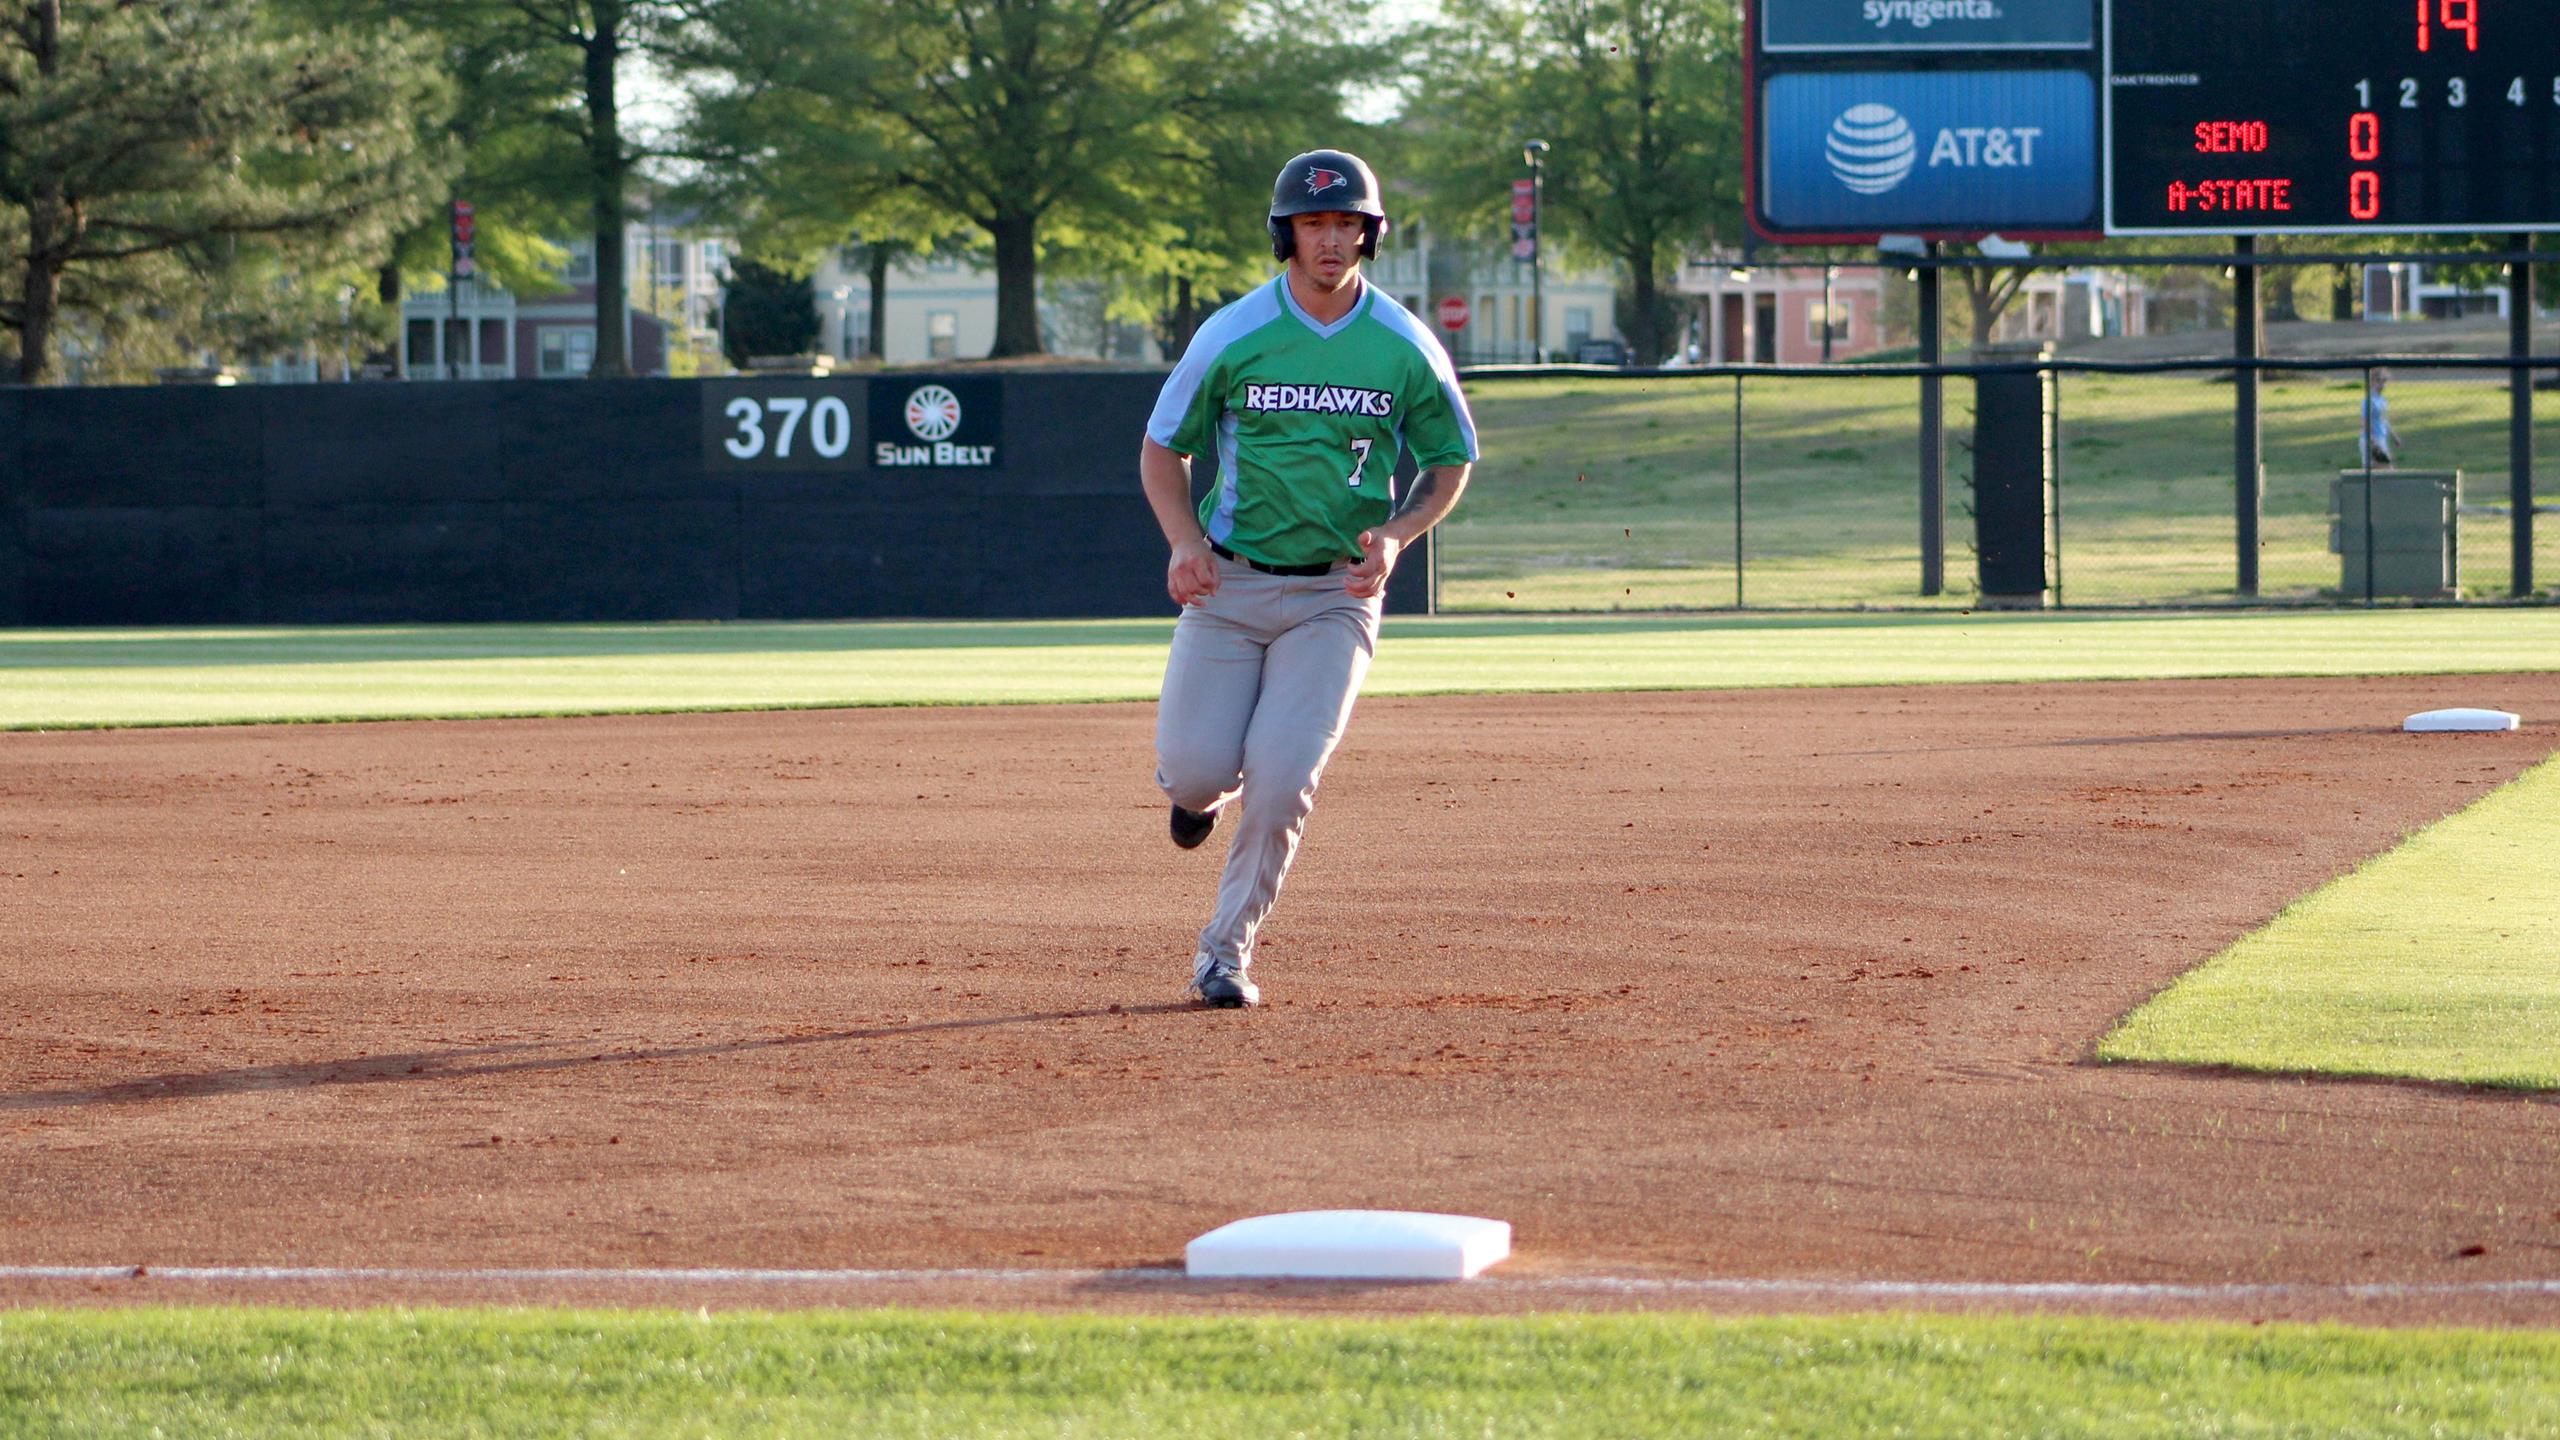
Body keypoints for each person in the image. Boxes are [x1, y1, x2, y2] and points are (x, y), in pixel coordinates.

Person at [1139, 148, 1478, 1009]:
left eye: (1346, 223)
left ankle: (1224, 954)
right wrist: (1183, 541)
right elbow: (1162, 448)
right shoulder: (1233, 332)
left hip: (1336, 596)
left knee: (1284, 779)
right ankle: (1198, 795)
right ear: (1285, 233)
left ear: (1369, 233)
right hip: (1228, 584)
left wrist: (1400, 535)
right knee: (1195, 773)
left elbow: (1448, 461)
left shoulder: (1403, 342)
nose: (1331, 238)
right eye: (1314, 222)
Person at [2364, 368, 2402, 467]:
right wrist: (2372, 440)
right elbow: (2365, 422)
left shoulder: (2383, 400)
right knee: (2385, 468)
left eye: (2384, 381)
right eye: (2378, 381)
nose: (2382, 384)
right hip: (2373, 439)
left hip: (2381, 437)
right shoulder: (2369, 401)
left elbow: (2384, 420)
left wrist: (2394, 436)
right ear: (2372, 382)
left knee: (2381, 470)